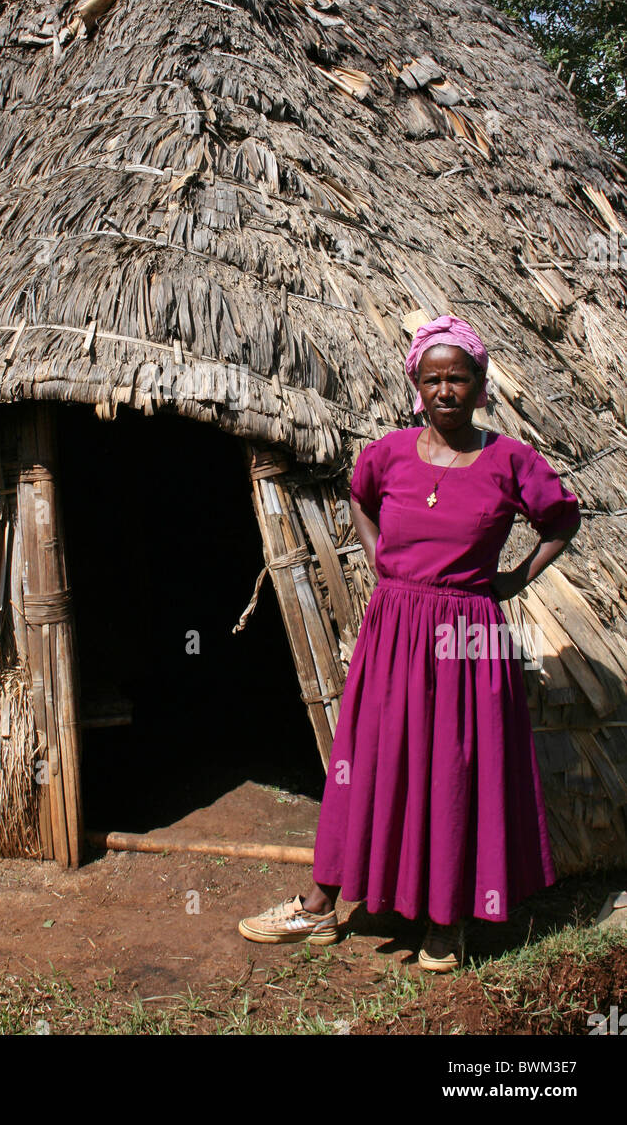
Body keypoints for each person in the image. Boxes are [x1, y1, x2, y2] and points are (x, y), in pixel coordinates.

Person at [238, 314, 581, 970]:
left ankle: (447, 923)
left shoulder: (510, 461)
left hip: (467, 633)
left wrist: (514, 579)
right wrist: (379, 559)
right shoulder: (388, 452)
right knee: (369, 758)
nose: (446, 390)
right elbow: (359, 498)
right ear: (417, 386)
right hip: (393, 628)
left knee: (454, 767)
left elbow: (562, 518)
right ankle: (318, 905)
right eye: (434, 379)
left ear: (481, 385)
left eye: (459, 378)